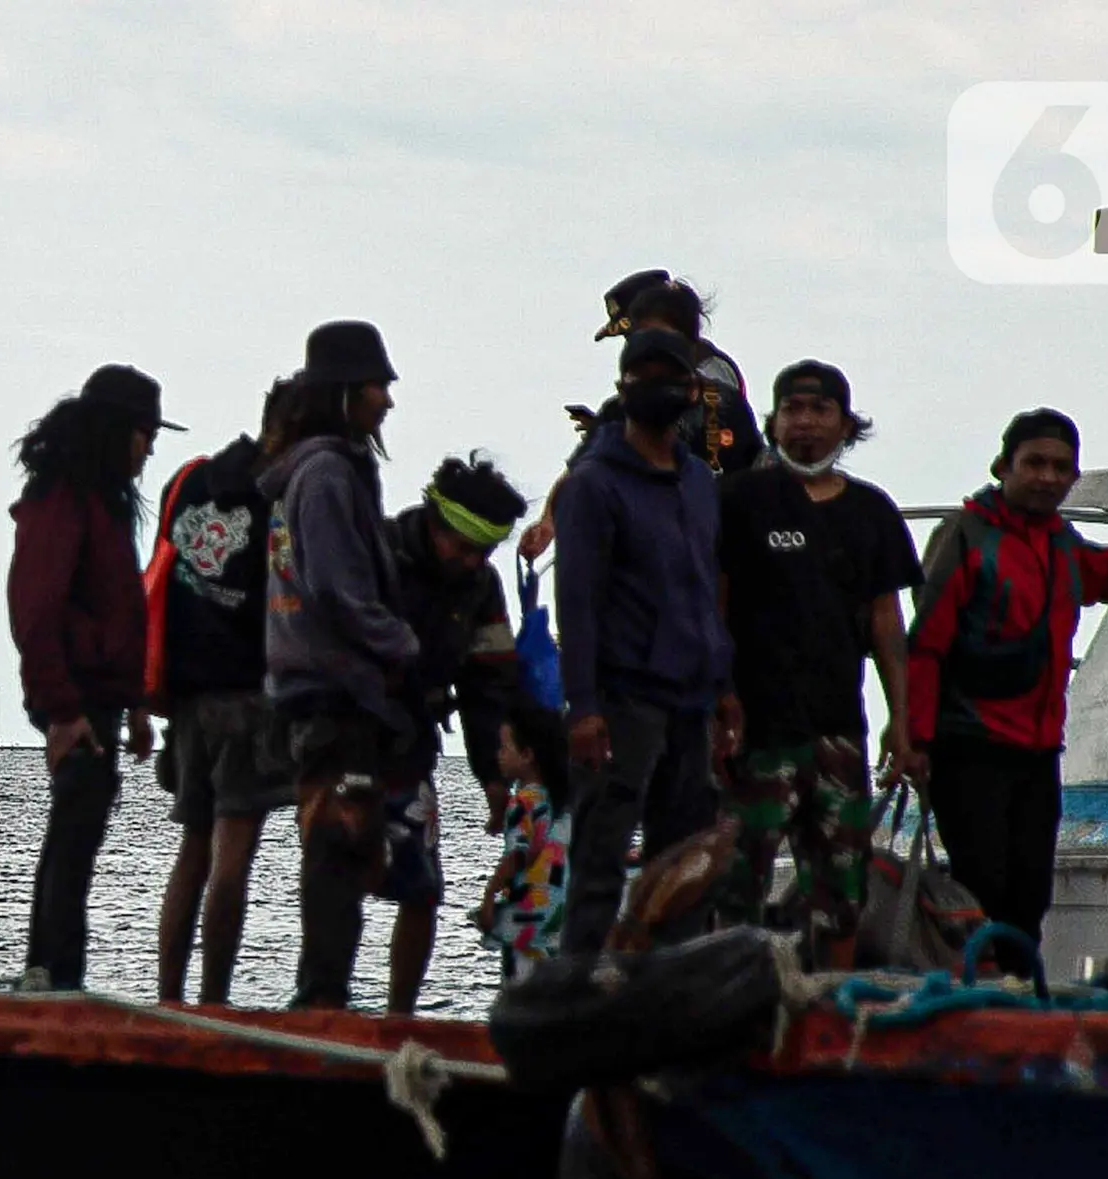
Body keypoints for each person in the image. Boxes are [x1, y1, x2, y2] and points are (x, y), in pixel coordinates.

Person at [905, 409, 1108, 951]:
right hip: (968, 744)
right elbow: (925, 645)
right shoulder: (966, 537)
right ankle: (980, 994)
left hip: (1037, 749)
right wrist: (915, 739)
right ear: (1004, 466)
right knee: (983, 884)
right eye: (1034, 463)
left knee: (1027, 893)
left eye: (1060, 467)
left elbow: (1104, 573)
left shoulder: (1059, 540)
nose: (1047, 476)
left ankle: (1015, 993)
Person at [716, 361, 919, 969]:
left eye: (820, 409)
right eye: (792, 409)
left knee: (839, 890)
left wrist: (901, 723)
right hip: (752, 733)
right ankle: (729, 1002)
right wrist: (719, 701)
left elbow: (887, 623)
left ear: (845, 425)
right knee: (737, 883)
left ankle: (830, 1004)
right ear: (773, 421)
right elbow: (714, 608)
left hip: (838, 730)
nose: (805, 422)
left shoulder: (872, 512)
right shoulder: (738, 500)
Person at [555, 329, 740, 958]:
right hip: (621, 700)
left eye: (669, 376)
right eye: (641, 376)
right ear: (621, 388)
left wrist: (724, 687)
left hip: (692, 701)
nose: (653, 387)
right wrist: (582, 706)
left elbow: (705, 584)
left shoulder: (697, 481)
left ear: (692, 390)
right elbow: (576, 602)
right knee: (601, 861)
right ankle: (578, 996)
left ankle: (668, 995)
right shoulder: (594, 484)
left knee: (682, 866)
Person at [257, 320, 417, 1010]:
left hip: (325, 688)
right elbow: (337, 589)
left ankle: (325, 996)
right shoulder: (326, 474)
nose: (387, 399)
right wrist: (404, 647)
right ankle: (322, 1003)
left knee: (344, 843)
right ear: (348, 390)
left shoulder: (324, 469)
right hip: (334, 690)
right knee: (337, 840)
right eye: (378, 384)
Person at [8, 364, 174, 991]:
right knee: (74, 835)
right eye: (143, 433)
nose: (150, 447)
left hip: (95, 697)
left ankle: (52, 973)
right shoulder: (64, 500)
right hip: (71, 697)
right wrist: (61, 710)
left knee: (79, 828)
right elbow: (36, 607)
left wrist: (132, 705)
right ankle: (52, 974)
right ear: (115, 433)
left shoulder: (103, 504)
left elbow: (120, 610)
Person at [148, 379, 299, 1005]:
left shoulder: (189, 480)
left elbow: (161, 569)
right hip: (247, 691)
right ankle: (213, 999)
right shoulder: (282, 500)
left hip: (185, 694)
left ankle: (169, 996)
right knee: (233, 852)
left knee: (192, 847)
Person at [377, 453, 527, 1013]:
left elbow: (489, 682)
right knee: (342, 869)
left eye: (481, 553)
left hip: (414, 745)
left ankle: (400, 1013)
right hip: (347, 735)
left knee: (423, 888)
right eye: (461, 548)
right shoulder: (379, 551)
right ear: (435, 524)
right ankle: (323, 1001)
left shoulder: (481, 586)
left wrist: (491, 773)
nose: (469, 562)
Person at [520, 271, 759, 558]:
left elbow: (756, 474)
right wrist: (548, 523)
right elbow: (578, 473)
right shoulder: (620, 406)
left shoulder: (721, 392)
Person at [475, 702, 572, 979]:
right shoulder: (562, 804)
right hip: (558, 915)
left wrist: (490, 896)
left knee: (520, 990)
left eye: (505, 748)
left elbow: (518, 855)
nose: (498, 755)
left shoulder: (523, 802)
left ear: (528, 755)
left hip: (526, 917)